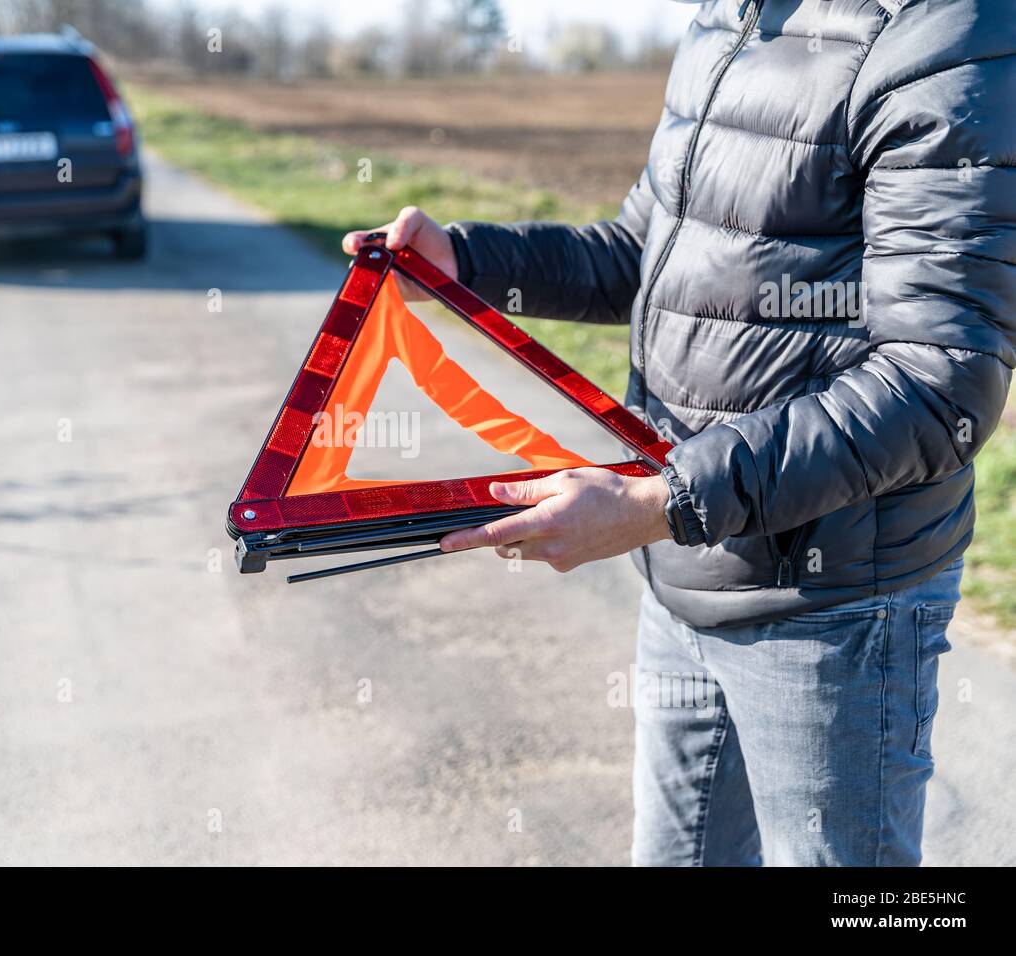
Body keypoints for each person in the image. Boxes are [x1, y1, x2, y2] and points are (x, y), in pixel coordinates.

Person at [342, 0, 1013, 866]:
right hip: (682, 570)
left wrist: (667, 500)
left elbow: (939, 380)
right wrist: (470, 264)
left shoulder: (943, 34)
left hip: (832, 608)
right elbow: (645, 254)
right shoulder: (728, 17)